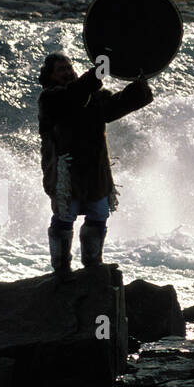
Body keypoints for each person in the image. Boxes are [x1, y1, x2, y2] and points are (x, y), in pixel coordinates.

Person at [37, 52, 152, 278]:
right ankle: (61, 269)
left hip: (94, 172)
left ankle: (93, 265)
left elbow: (117, 105)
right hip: (66, 172)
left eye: (69, 67)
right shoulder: (50, 99)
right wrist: (99, 70)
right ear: (50, 76)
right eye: (61, 69)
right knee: (64, 216)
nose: (68, 72)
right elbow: (74, 97)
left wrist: (140, 82)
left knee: (99, 214)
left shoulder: (92, 96)